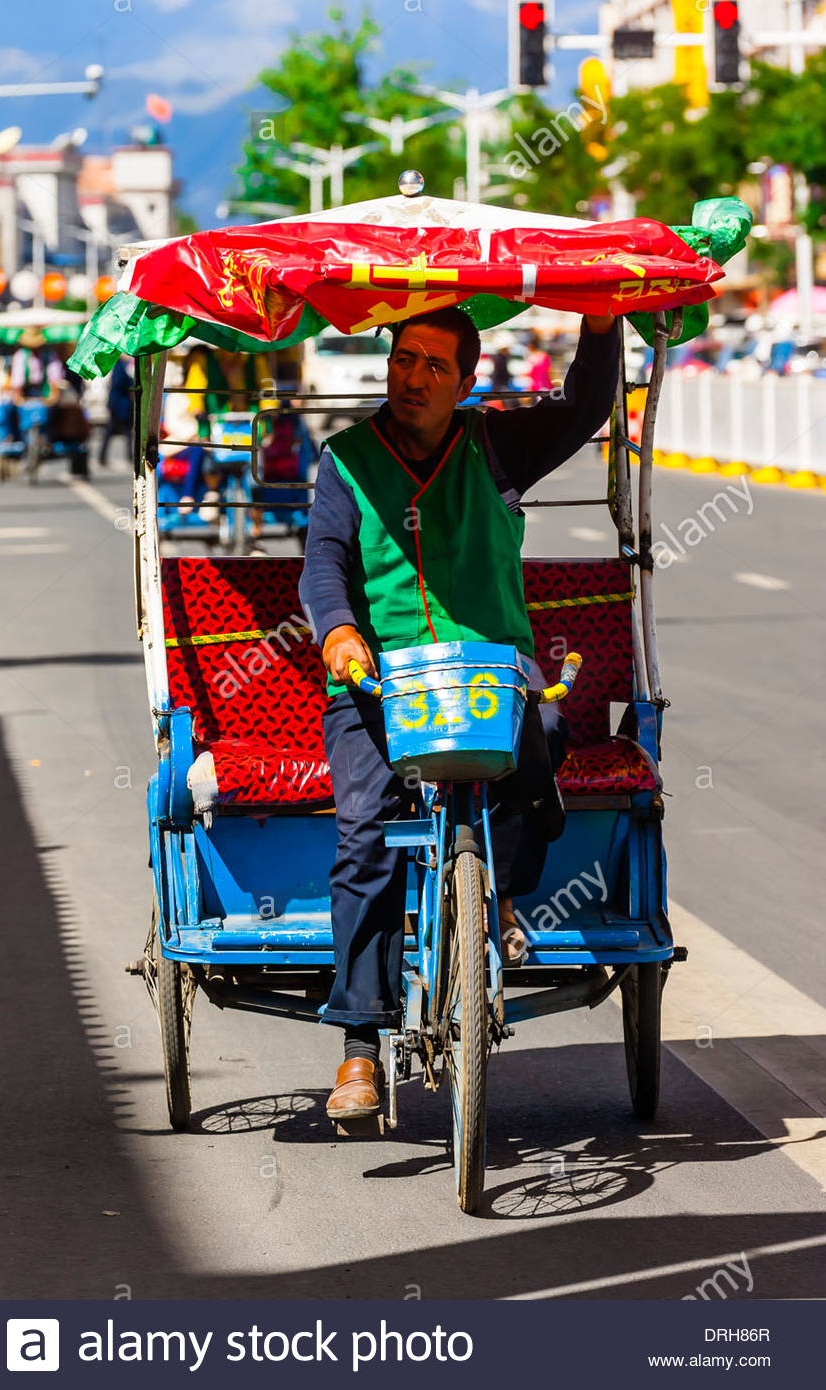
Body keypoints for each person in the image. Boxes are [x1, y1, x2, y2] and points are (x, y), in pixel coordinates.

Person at [298, 306, 619, 1122]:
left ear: (466, 383)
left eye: (434, 367)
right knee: (364, 830)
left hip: (487, 669)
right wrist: (337, 633)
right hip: (378, 684)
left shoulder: (495, 445)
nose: (412, 378)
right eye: (404, 359)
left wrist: (600, 320)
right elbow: (324, 563)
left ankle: (500, 893)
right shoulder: (343, 462)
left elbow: (584, 409)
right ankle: (359, 1049)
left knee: (541, 733)